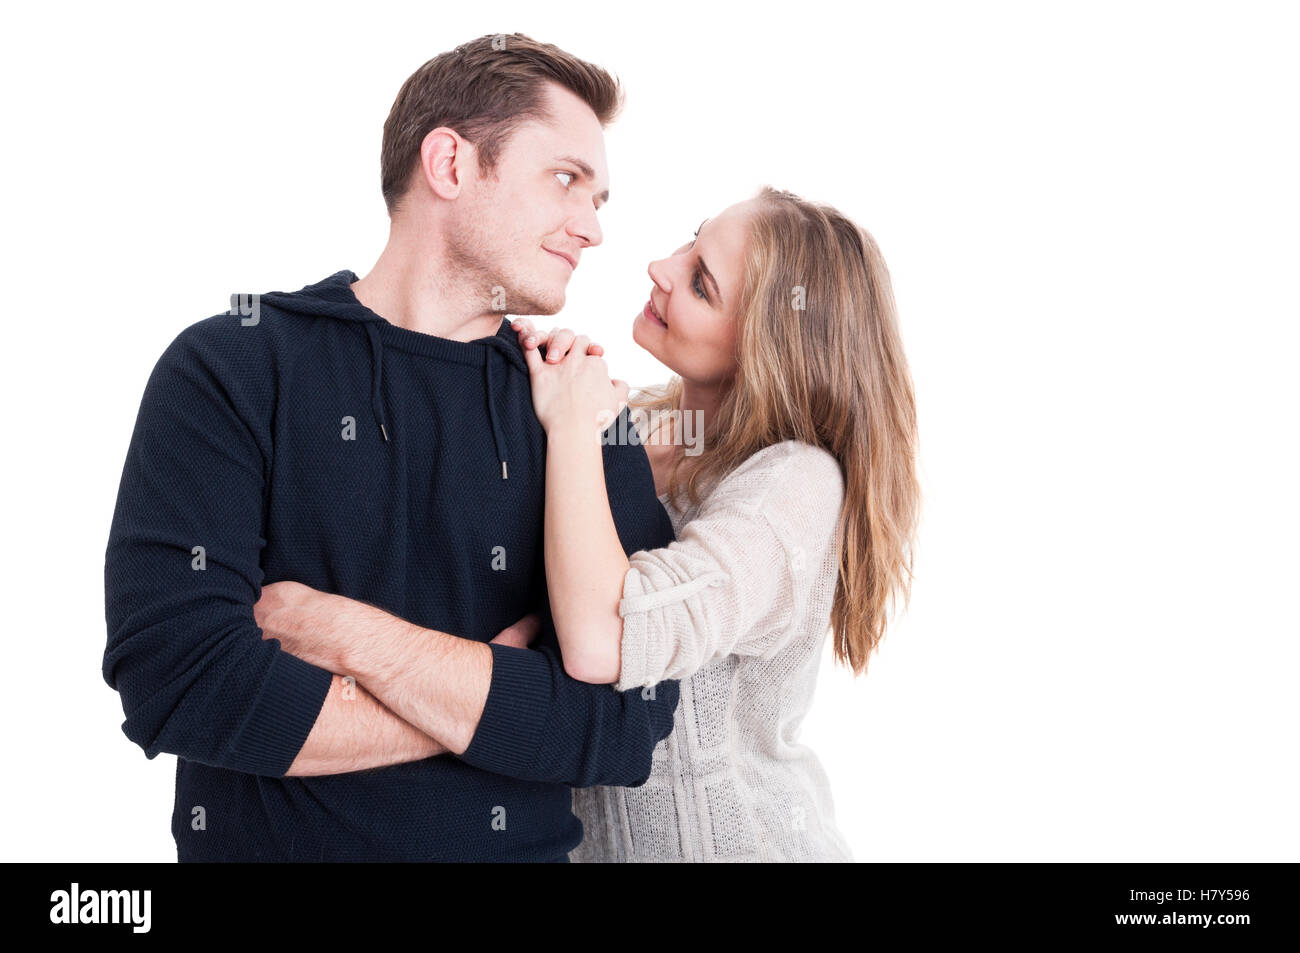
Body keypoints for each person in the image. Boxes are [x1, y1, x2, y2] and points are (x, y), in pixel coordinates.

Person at [101, 33, 680, 862]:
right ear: (448, 163)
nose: (590, 228)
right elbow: (180, 681)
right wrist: (494, 693)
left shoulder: (579, 408)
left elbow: (625, 727)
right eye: (566, 181)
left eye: (601, 200)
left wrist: (345, 636)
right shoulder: (233, 365)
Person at [506, 186, 921, 861]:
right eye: (687, 244)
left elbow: (603, 640)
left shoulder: (796, 483)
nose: (660, 270)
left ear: (768, 347)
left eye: (701, 283)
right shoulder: (632, 426)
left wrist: (572, 425)